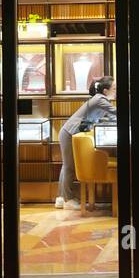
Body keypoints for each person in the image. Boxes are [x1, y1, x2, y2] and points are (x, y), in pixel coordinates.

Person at [57, 77, 116, 212]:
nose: (116, 91)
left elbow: (111, 117)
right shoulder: (100, 99)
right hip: (70, 133)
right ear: (106, 91)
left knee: (67, 166)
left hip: (69, 132)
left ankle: (61, 198)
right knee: (69, 167)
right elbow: (116, 113)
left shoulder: (100, 100)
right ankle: (68, 200)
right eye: (114, 89)